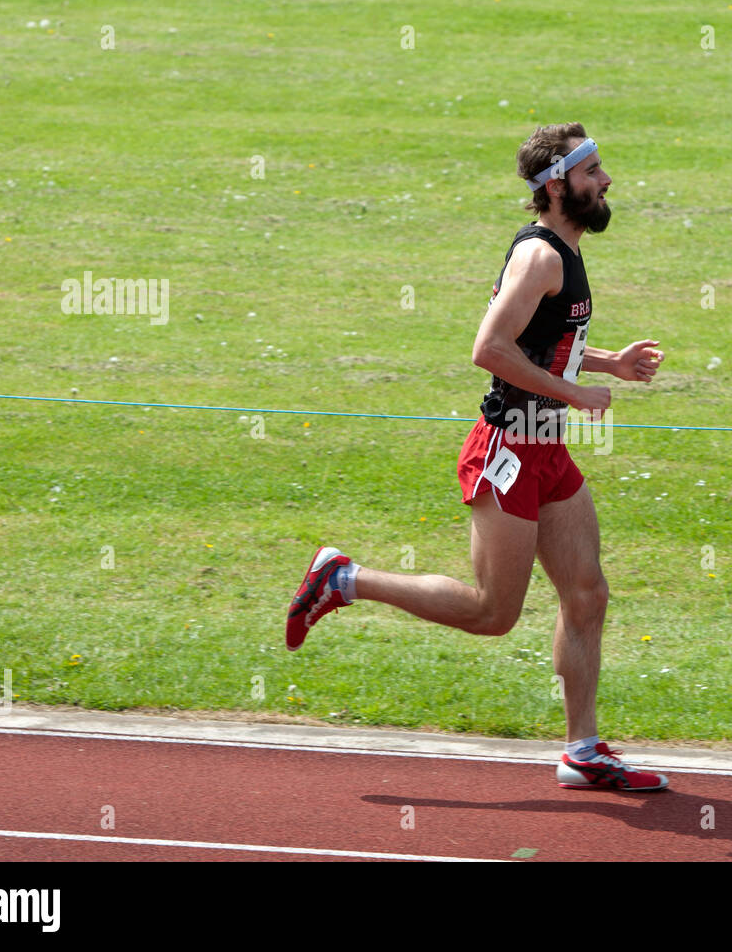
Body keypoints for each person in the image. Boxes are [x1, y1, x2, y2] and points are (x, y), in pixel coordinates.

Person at [286, 123, 668, 791]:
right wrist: (576, 390)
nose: (606, 182)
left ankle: (583, 749)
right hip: (508, 448)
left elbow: (540, 336)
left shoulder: (559, 252)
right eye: (592, 173)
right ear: (556, 186)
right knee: (494, 613)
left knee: (587, 593)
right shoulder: (542, 256)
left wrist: (611, 362)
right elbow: (489, 348)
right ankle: (343, 578)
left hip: (547, 447)